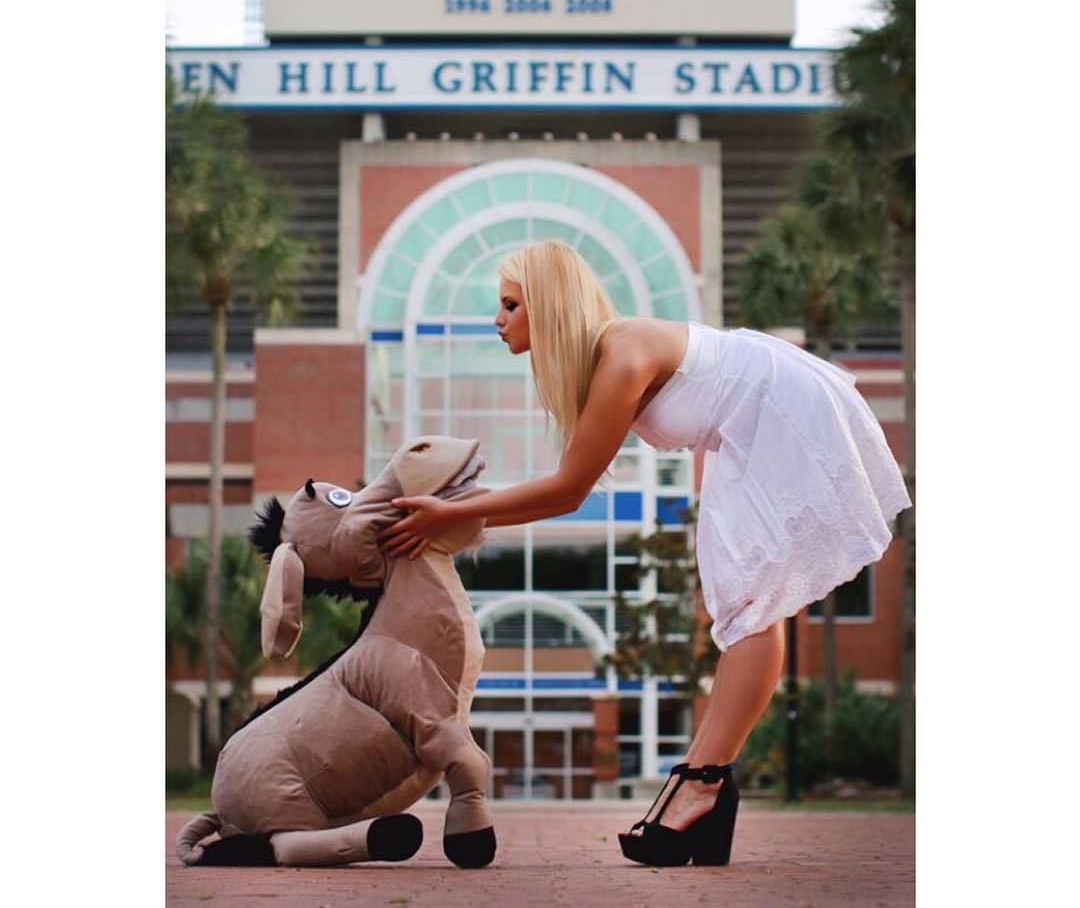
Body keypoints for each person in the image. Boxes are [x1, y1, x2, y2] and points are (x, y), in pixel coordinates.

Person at [377, 239, 911, 867]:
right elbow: (566, 487)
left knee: (751, 607)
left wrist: (453, 512)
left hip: (778, 411)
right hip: (743, 428)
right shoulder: (607, 358)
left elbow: (569, 491)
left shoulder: (622, 355)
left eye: (510, 304)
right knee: (741, 609)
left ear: (547, 307)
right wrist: (455, 512)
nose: (498, 320)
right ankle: (703, 785)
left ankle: (702, 784)